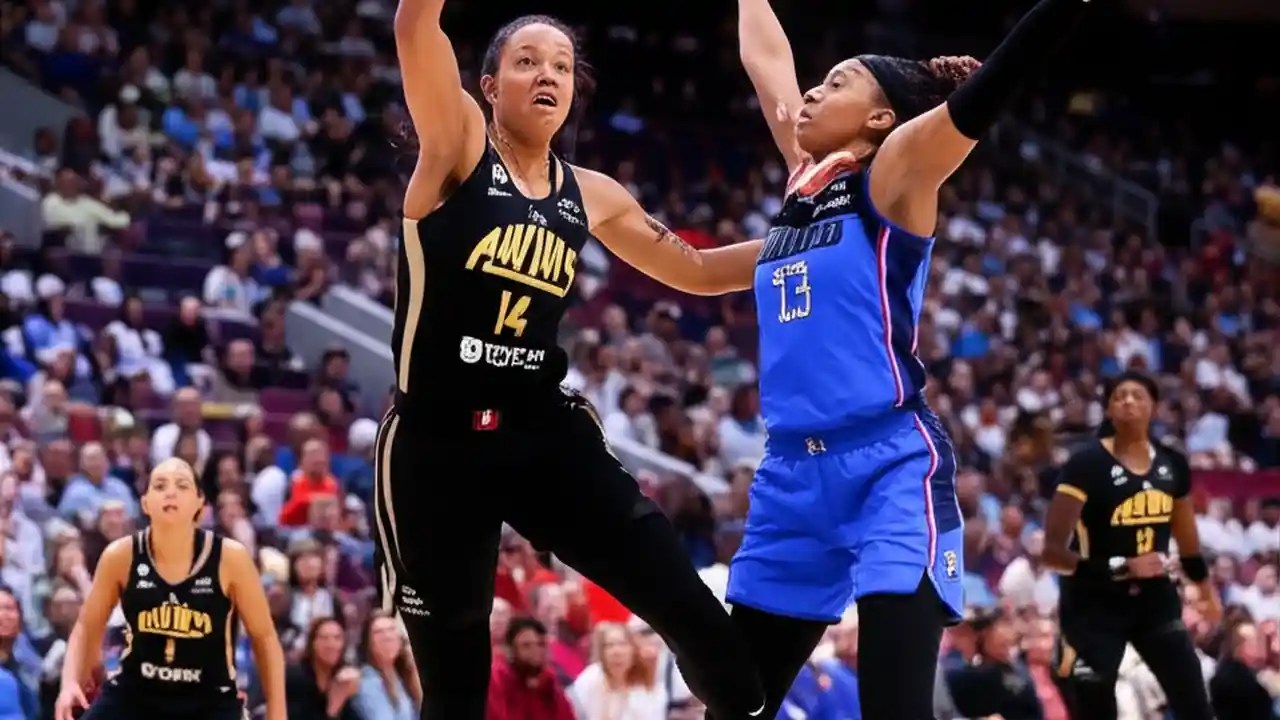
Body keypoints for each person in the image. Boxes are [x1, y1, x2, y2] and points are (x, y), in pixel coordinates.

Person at [712, 0, 1104, 717]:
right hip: (791, 476)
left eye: (835, 84)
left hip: (888, 462)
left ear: (880, 120)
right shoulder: (806, 180)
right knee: (738, 705)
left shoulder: (893, 176)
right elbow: (765, 58)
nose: (811, 93)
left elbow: (992, 91)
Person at [381, 2, 766, 718]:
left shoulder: (592, 194)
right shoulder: (460, 145)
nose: (546, 74)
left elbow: (704, 271)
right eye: (527, 61)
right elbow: (414, 28)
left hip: (540, 433)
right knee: (457, 688)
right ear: (490, 86)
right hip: (437, 446)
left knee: (686, 601)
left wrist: (816, 239)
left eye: (561, 65)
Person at [1043, 371, 1220, 720]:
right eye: (1119, 396)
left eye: (1138, 395)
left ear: (1153, 406)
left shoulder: (1172, 463)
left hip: (1155, 601)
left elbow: (1188, 543)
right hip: (1094, 605)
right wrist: (1122, 565)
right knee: (1096, 709)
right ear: (1108, 409)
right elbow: (1052, 553)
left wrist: (1206, 590)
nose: (1128, 401)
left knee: (1196, 705)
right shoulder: (1085, 464)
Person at [54, 458, 285, 720]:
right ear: (145, 503)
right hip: (135, 694)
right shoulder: (121, 555)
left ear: (200, 504)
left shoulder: (230, 557)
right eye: (160, 485)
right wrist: (70, 682)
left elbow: (264, 637)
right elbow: (87, 625)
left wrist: (278, 713)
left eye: (182, 485)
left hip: (208, 699)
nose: (171, 492)